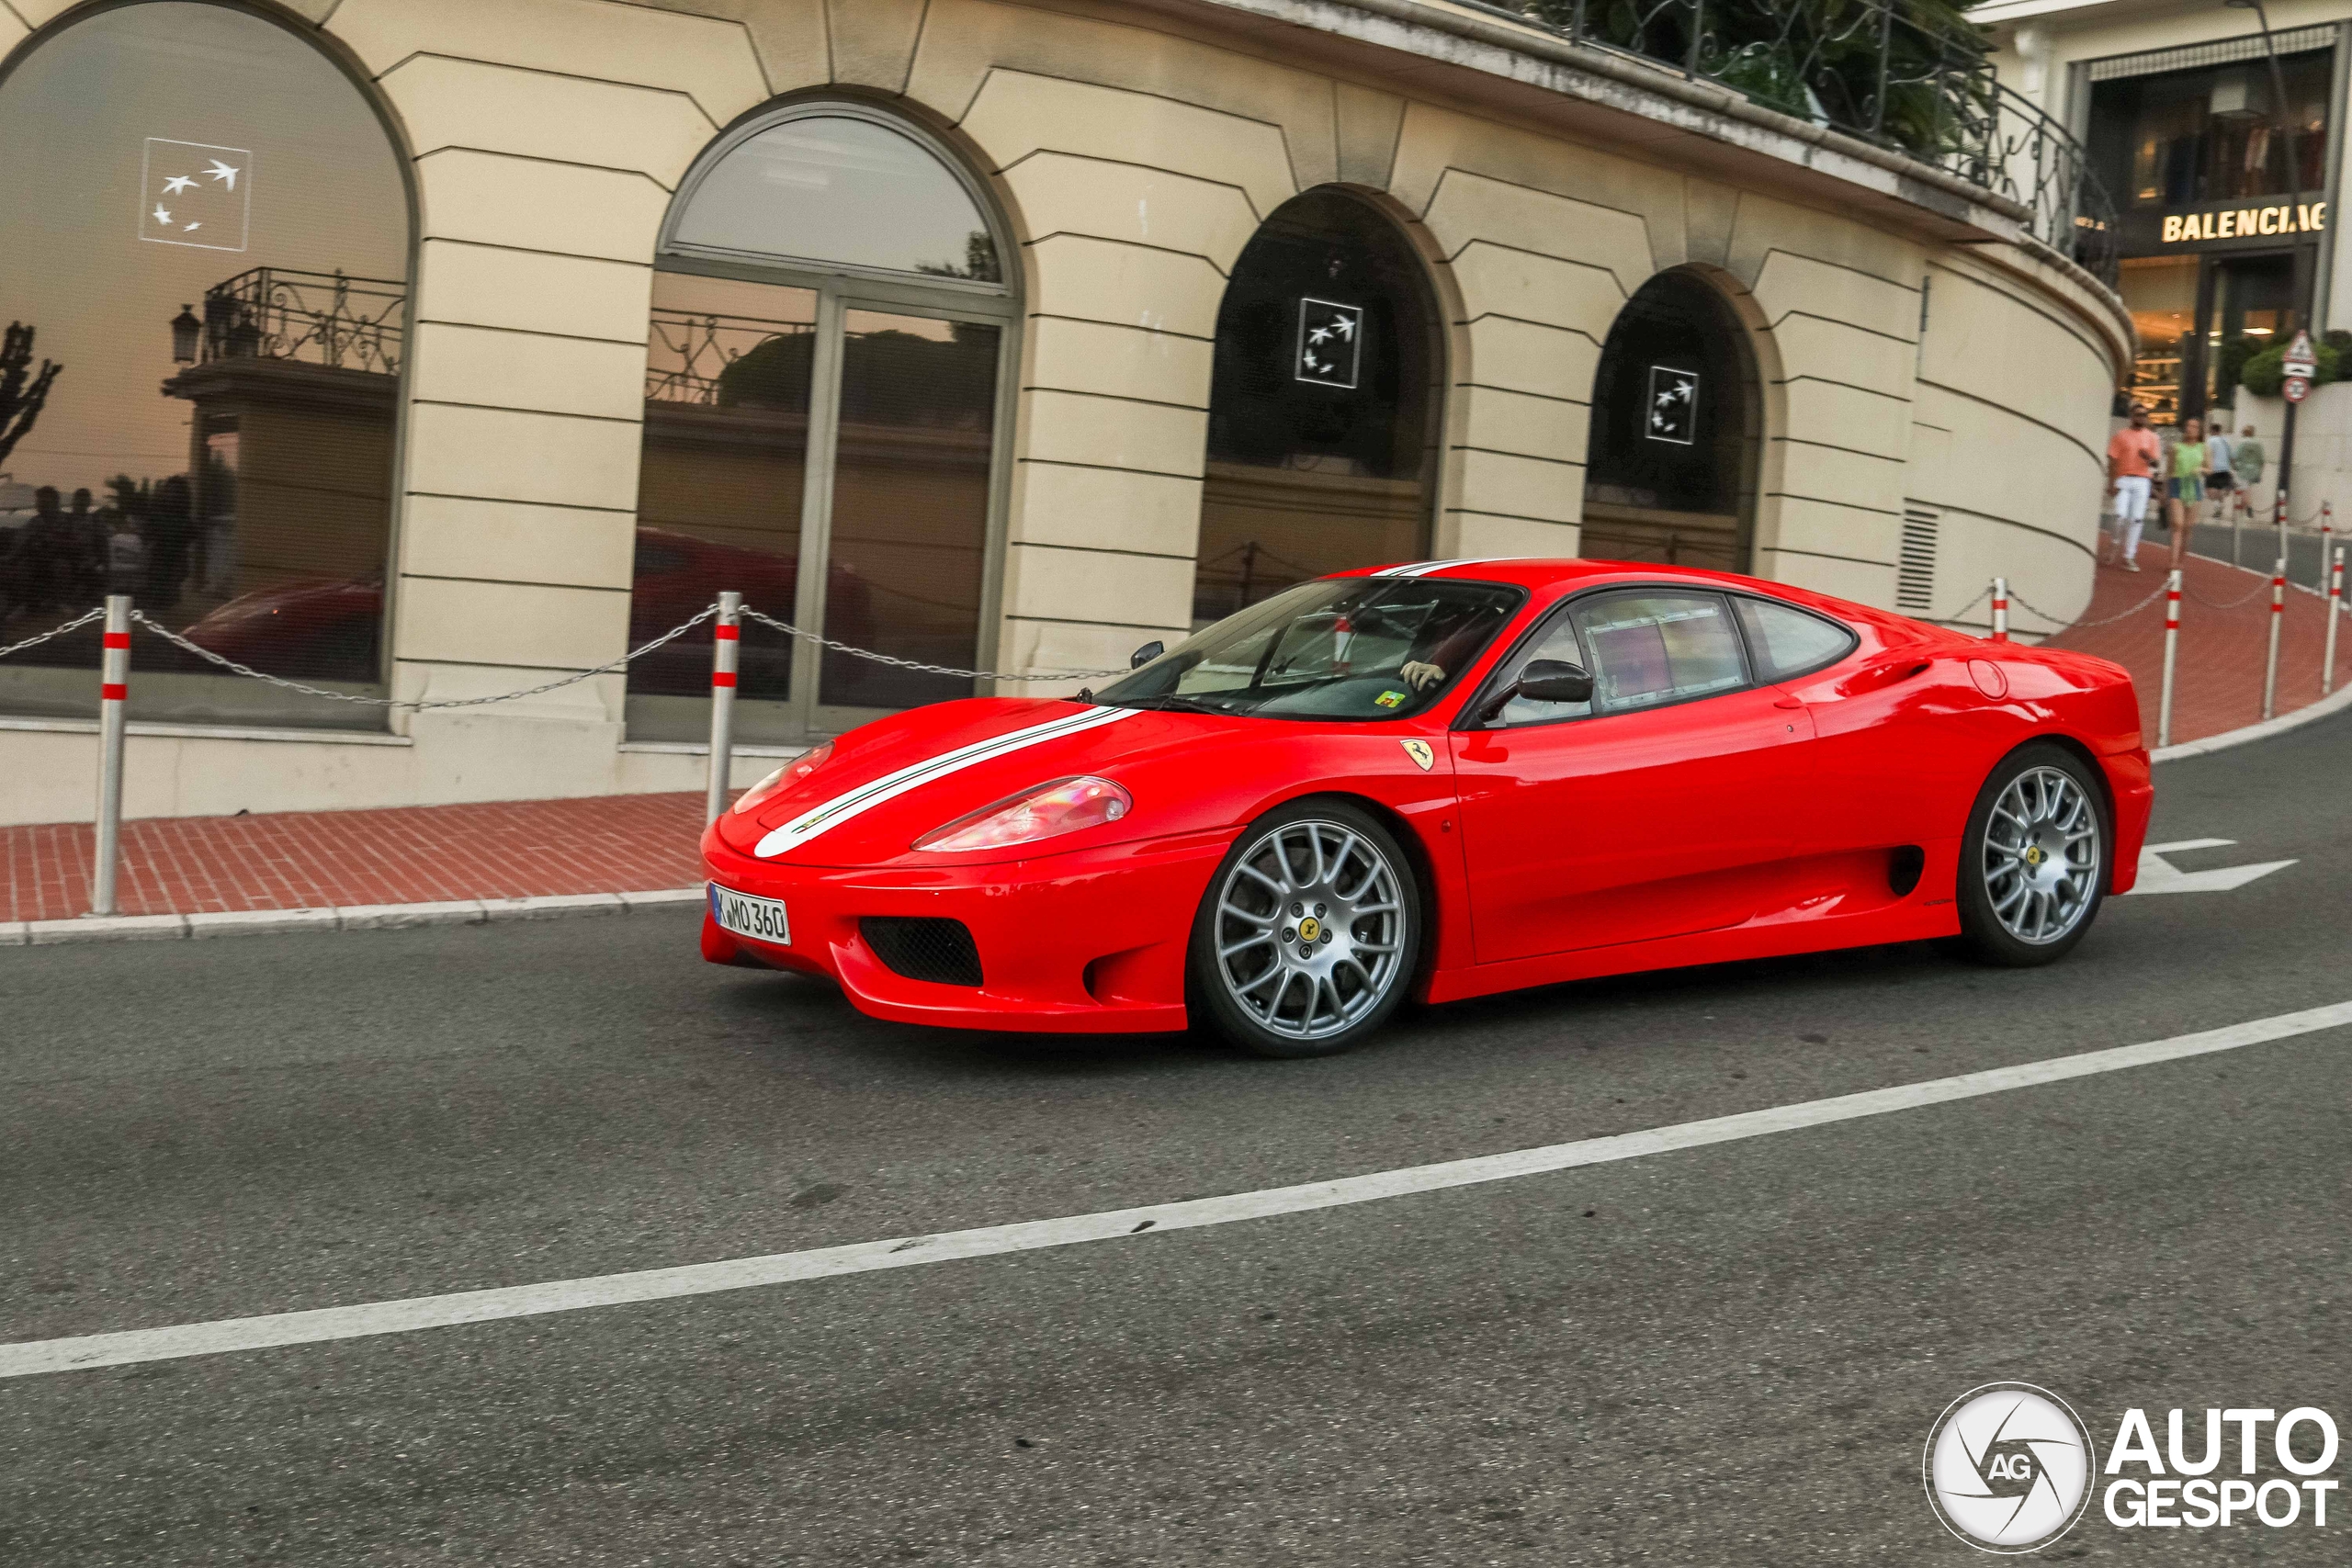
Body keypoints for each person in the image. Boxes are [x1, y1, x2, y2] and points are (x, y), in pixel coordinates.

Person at [2105, 402, 2161, 572]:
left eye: (2144, 415)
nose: (2141, 417)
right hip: (2123, 479)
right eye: (2138, 414)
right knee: (2120, 515)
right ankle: (2115, 542)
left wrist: (2149, 457)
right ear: (2131, 416)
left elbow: (2156, 463)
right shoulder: (2121, 435)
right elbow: (2112, 461)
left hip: (2142, 480)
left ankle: (2129, 555)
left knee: (2137, 519)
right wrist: (2111, 483)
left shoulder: (2152, 437)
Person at [2167, 416, 2206, 568]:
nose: (2190, 429)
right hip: (2177, 484)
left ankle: (2181, 560)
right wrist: (2165, 491)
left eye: (2195, 427)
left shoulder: (2204, 448)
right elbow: (2169, 471)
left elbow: (2210, 468)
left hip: (2194, 486)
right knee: (2178, 524)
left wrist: (2201, 469)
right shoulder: (2176, 447)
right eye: (2188, 426)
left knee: (2188, 527)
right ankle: (2173, 562)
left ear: (2199, 431)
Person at [2204, 421, 2235, 525]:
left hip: (2213, 468)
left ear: (2212, 430)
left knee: (2210, 488)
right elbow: (2231, 455)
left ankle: (2217, 504)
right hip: (2225, 468)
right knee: (2220, 488)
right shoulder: (2226, 441)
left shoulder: (2211, 440)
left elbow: (2207, 453)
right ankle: (2220, 504)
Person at [2235, 423, 2267, 513]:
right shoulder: (2258, 444)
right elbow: (2262, 460)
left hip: (2243, 470)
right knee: (2247, 488)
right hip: (2255, 470)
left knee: (2244, 489)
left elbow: (2235, 456)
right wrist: (2260, 472)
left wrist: (2235, 467)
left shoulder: (2241, 442)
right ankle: (2245, 506)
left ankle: (2246, 505)